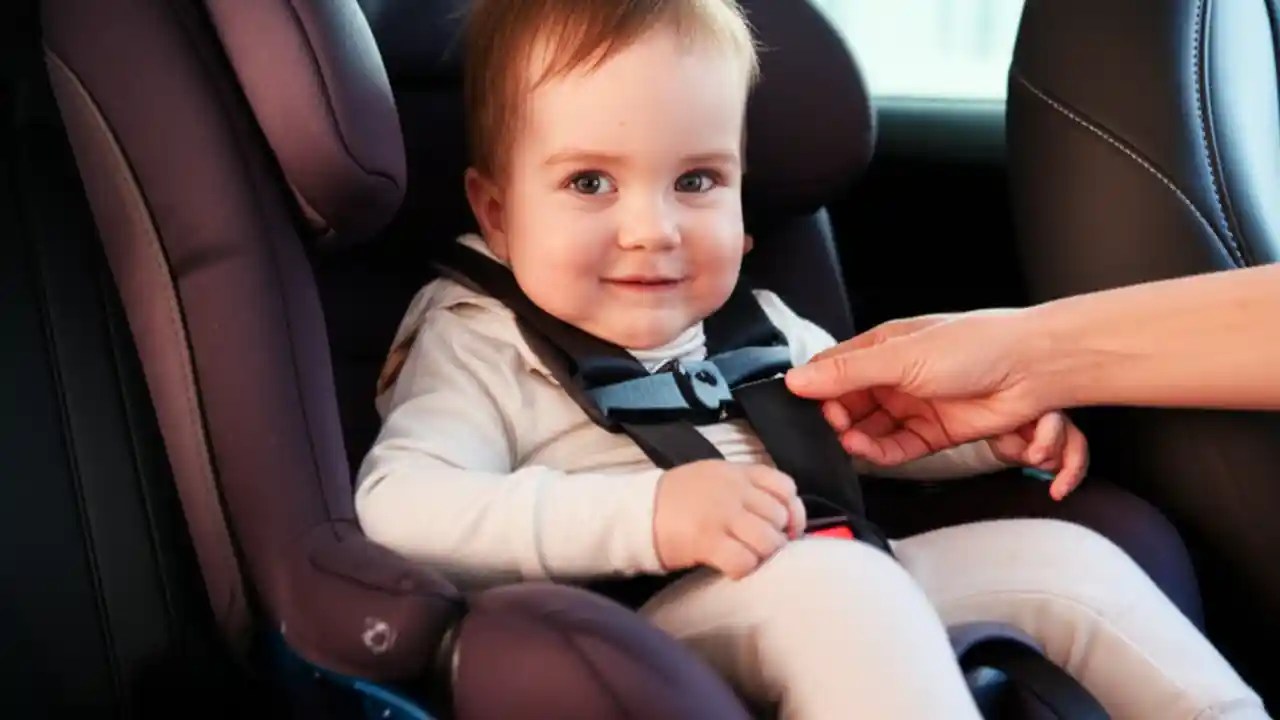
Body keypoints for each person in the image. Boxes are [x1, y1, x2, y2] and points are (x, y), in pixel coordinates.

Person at [354, 1, 1267, 717]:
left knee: (1067, 564)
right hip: (649, 618)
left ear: (745, 200)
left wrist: (988, 445)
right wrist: (651, 515)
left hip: (846, 573)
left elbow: (864, 431)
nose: (653, 230)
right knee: (837, 586)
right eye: (590, 182)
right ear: (499, 211)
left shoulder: (760, 322)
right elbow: (402, 508)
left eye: (697, 180)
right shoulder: (477, 337)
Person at [784, 263, 1280, 466]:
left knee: (1080, 561)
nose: (699, 225)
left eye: (704, 182)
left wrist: (989, 441)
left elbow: (867, 449)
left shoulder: (783, 333)